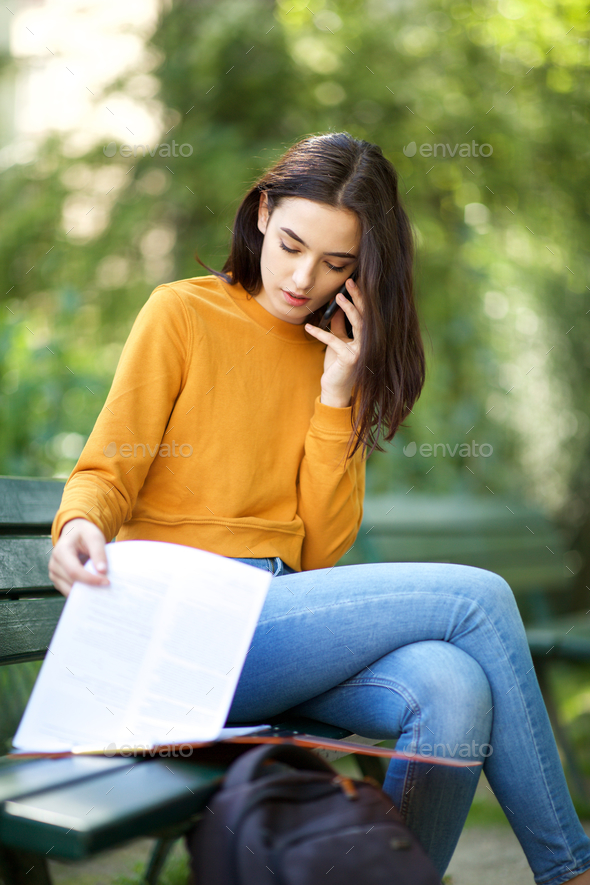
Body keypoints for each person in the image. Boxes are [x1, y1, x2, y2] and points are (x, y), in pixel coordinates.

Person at [48, 131, 590, 883]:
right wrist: (78, 524)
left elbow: (321, 550)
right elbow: (110, 467)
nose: (304, 277)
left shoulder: (334, 352)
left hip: (276, 625)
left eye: (337, 262)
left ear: (362, 268)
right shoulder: (180, 313)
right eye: (294, 244)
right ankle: (571, 868)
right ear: (264, 212)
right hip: (182, 629)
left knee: (452, 687)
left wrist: (337, 396)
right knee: (480, 598)